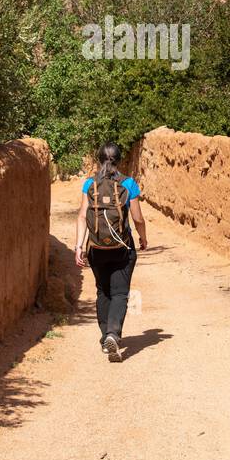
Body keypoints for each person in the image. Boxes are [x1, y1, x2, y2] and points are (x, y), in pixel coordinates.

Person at [75, 141, 148, 362]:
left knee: (103, 291)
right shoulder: (128, 184)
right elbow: (137, 218)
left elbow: (81, 216)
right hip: (121, 248)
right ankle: (113, 335)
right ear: (119, 159)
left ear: (99, 159)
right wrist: (143, 238)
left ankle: (106, 334)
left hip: (96, 248)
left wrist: (79, 246)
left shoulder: (90, 184)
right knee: (119, 292)